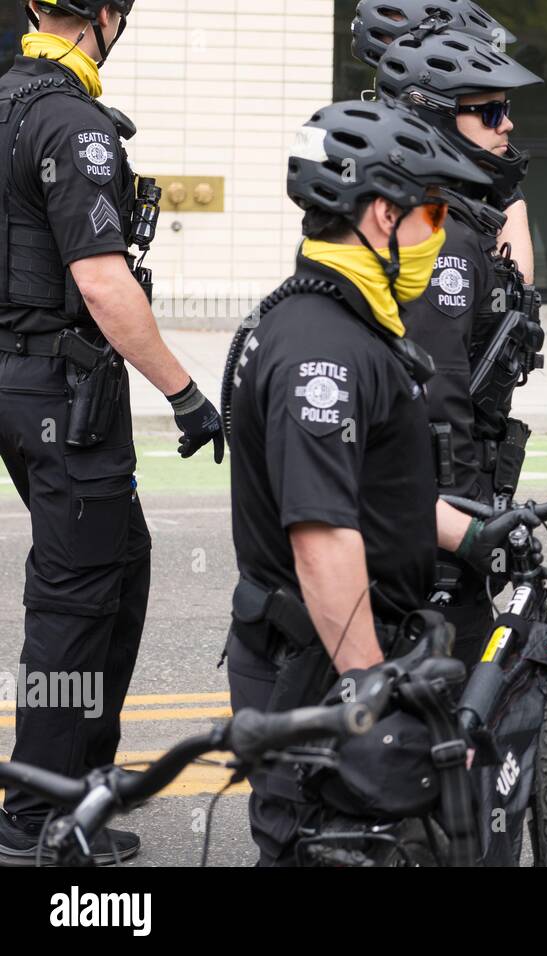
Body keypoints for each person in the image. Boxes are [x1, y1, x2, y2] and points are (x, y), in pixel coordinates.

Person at [222, 99, 522, 866]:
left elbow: (368, 491)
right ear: (383, 216)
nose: (439, 235)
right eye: (430, 212)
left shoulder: (334, 320)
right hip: (318, 671)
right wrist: (372, 694)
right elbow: (322, 536)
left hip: (336, 654)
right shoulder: (323, 352)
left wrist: (474, 533)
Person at [0, 0, 222, 866]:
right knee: (77, 595)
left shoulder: (7, 99)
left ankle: (82, 776)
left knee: (120, 559)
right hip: (59, 389)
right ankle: (38, 814)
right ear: (102, 18)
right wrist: (186, 393)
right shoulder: (72, 123)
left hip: (22, 382)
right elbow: (101, 281)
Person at [370, 15, 545, 665]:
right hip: (434, 532)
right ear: (439, 123)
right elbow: (437, 398)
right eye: (491, 112)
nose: (507, 125)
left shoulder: (456, 212)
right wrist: (470, 532)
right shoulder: (440, 234)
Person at [350, 0, 535, 281]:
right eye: (491, 112)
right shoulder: (429, 220)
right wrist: (509, 194)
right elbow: (517, 284)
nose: (506, 124)